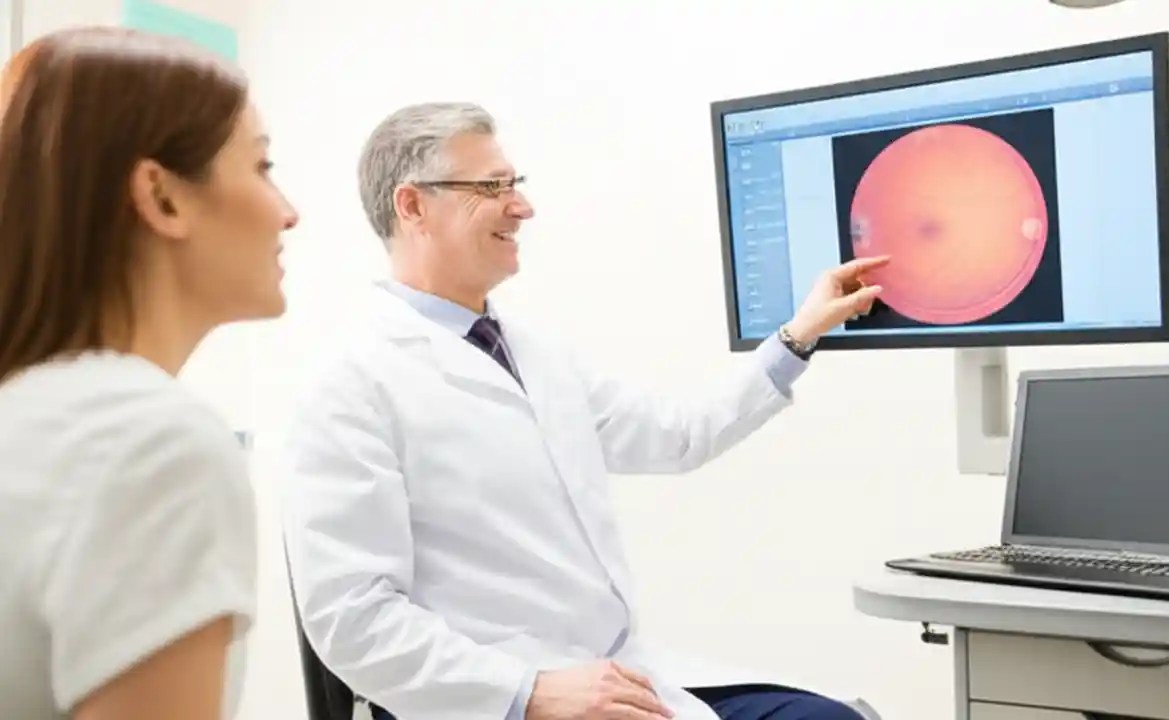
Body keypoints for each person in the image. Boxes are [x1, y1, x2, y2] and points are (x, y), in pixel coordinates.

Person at [280, 102, 886, 720]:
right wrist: (528, 692)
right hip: (488, 698)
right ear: (413, 206)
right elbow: (352, 619)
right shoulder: (349, 383)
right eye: (491, 187)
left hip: (608, 675)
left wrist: (798, 336)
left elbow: (679, 436)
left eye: (514, 183)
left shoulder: (533, 355)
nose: (522, 206)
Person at [0, 27, 298, 720]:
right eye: (261, 166)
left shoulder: (28, 415)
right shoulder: (155, 445)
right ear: (162, 197)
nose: (288, 212)